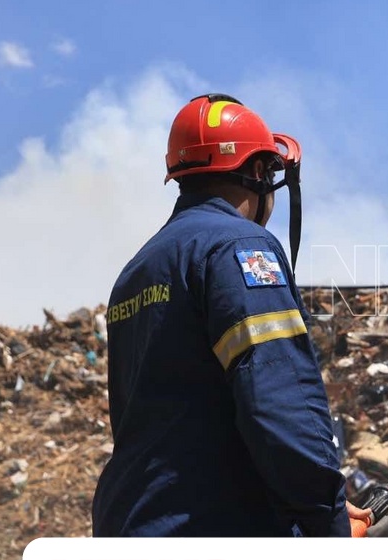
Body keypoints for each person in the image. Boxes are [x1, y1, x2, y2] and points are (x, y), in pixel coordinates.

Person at [92, 93, 368, 536]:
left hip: (132, 530)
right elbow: (279, 398)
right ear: (259, 172)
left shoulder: (138, 270)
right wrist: (328, 521)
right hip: (212, 539)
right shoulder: (241, 247)